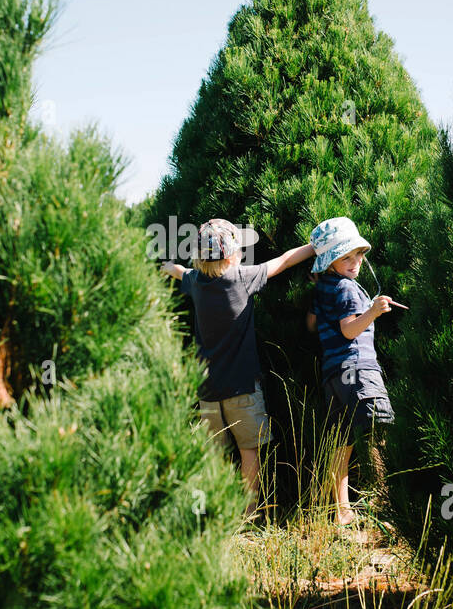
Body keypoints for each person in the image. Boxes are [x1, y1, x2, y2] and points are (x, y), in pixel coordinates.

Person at [160, 219, 314, 520]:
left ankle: (215, 511)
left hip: (207, 391)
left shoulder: (196, 282)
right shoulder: (242, 278)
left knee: (216, 455)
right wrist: (313, 247)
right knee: (249, 452)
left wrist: (166, 267)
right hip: (242, 388)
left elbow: (179, 272)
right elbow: (282, 262)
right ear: (232, 255)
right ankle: (249, 511)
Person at [306, 217, 395, 527]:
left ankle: (341, 510)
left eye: (359, 254)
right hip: (358, 368)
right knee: (374, 431)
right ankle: (382, 502)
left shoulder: (323, 289)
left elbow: (311, 324)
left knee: (341, 442)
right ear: (331, 261)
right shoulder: (346, 287)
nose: (356, 261)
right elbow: (348, 330)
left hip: (333, 374)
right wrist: (372, 310)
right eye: (346, 256)